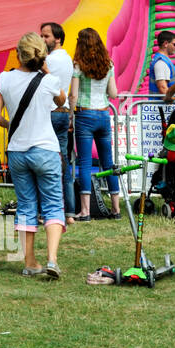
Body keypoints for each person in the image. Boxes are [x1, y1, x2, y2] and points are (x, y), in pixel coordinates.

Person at [0, 32, 67, 278]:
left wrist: (12, 125)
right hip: (45, 148)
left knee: (26, 206)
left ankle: (30, 261)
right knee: (53, 204)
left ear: (18, 54)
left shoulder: (5, 79)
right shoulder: (48, 80)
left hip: (17, 151)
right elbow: (62, 100)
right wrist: (46, 70)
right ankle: (52, 260)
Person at [69, 28, 120, 221]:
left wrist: (70, 117)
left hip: (84, 114)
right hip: (103, 115)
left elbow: (73, 95)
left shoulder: (78, 66)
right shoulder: (108, 64)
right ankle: (115, 209)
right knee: (108, 161)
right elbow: (114, 93)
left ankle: (85, 211)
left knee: (84, 163)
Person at [39, 22, 76, 221]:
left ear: (58, 38)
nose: (43, 40)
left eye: (46, 36)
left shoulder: (49, 61)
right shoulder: (68, 59)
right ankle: (69, 211)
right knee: (63, 162)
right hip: (62, 114)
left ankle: (47, 210)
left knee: (45, 162)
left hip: (50, 112)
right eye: (42, 36)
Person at [150, 31, 175, 95]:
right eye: (174, 44)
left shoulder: (163, 60)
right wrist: (174, 100)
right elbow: (163, 88)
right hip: (170, 104)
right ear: (165, 44)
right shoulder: (161, 62)